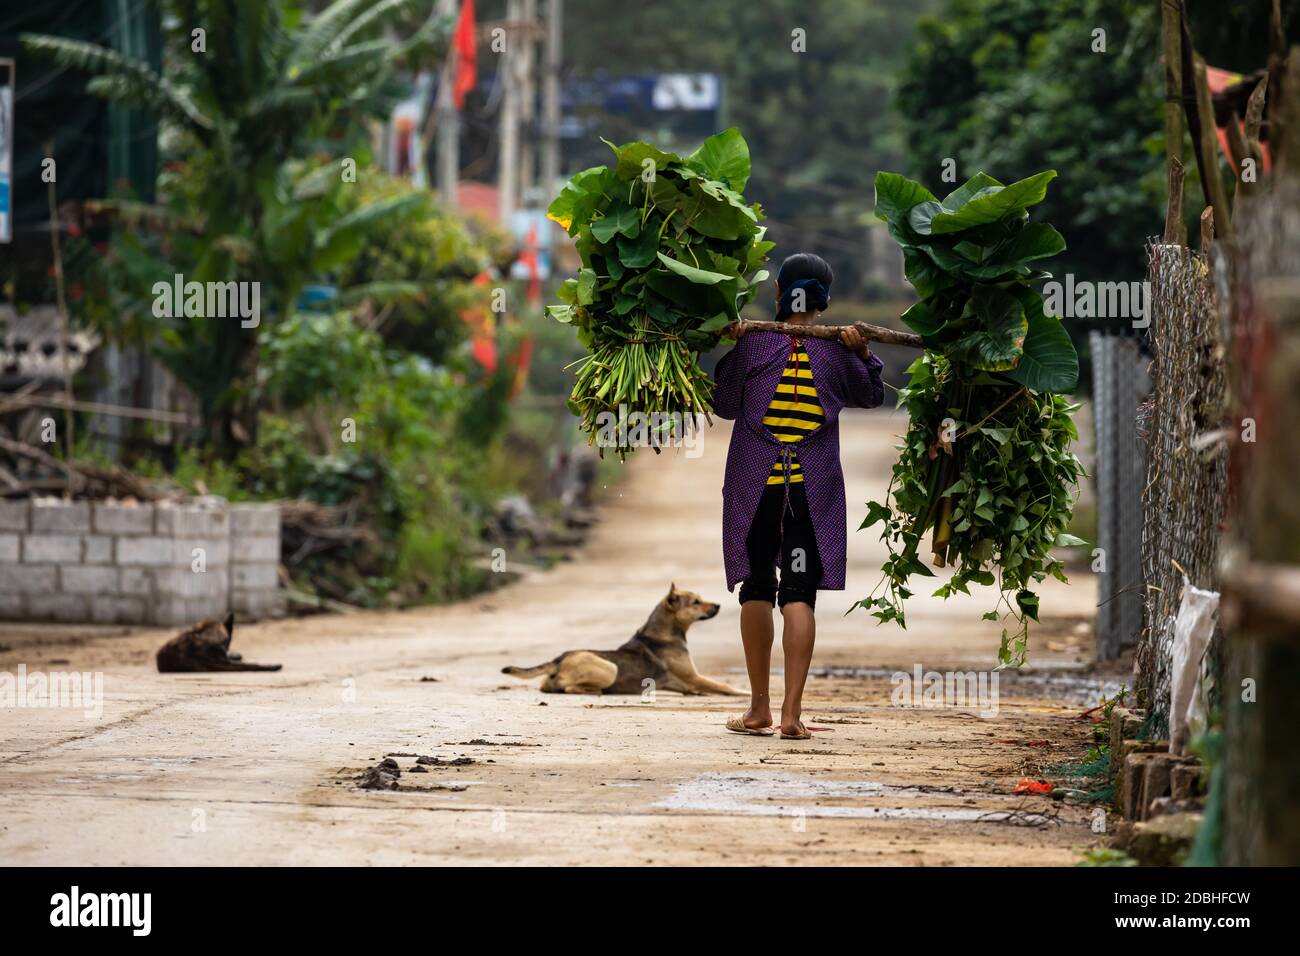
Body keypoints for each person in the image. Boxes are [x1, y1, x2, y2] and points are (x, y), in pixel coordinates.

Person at [711, 253, 885, 739]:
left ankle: (758, 710)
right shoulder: (837, 351)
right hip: (811, 492)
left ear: (778, 293)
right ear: (824, 300)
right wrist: (863, 353)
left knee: (756, 587)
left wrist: (736, 346)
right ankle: (792, 715)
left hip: (756, 490)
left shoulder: (755, 342)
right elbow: (872, 396)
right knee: (799, 593)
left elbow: (723, 404)